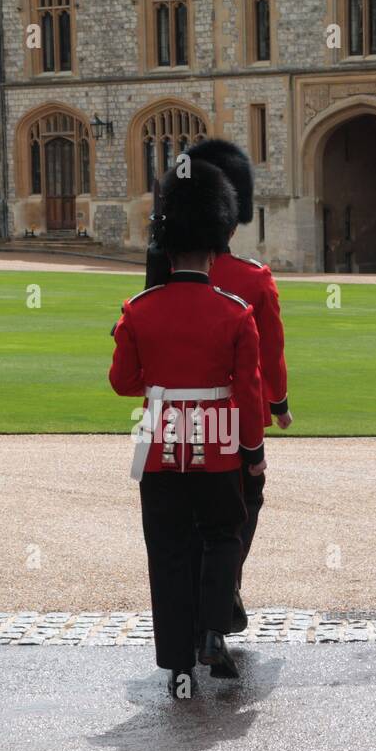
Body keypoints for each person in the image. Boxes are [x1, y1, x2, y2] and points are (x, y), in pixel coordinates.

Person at [109, 160, 266, 698]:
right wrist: (253, 451)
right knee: (223, 534)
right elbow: (247, 392)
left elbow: (123, 383)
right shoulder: (235, 312)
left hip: (158, 441)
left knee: (169, 546)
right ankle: (212, 631)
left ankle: (177, 663)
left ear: (167, 248)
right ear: (214, 246)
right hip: (219, 440)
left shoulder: (139, 310)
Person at [183, 138, 291, 633]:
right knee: (246, 499)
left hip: (173, 420)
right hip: (233, 418)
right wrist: (279, 404)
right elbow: (268, 353)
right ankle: (225, 584)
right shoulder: (252, 278)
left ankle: (203, 595)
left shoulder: (167, 278)